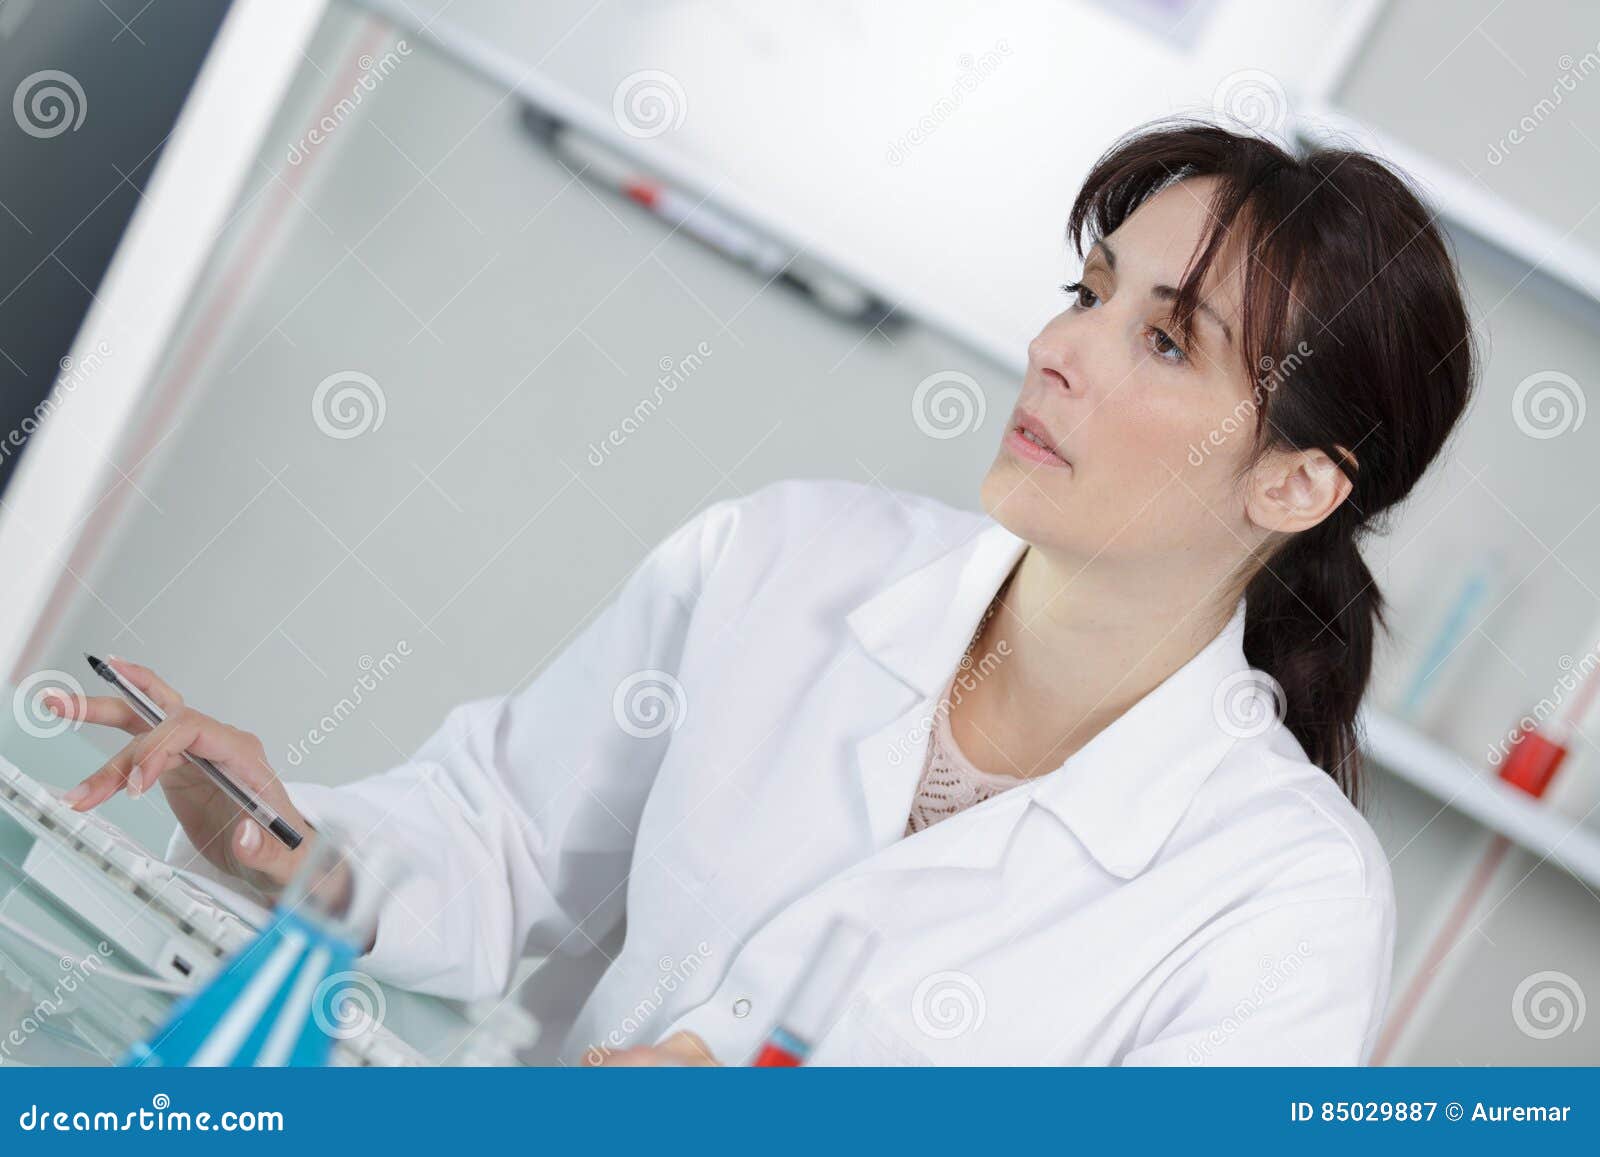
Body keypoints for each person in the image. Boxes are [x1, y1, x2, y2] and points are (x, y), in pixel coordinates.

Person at [49, 119, 1475, 1065]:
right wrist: (296, 850)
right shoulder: (786, 559)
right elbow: (508, 837)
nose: (1061, 349)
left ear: (1296, 484)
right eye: (1089, 290)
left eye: (1166, 342)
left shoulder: (1279, 899)